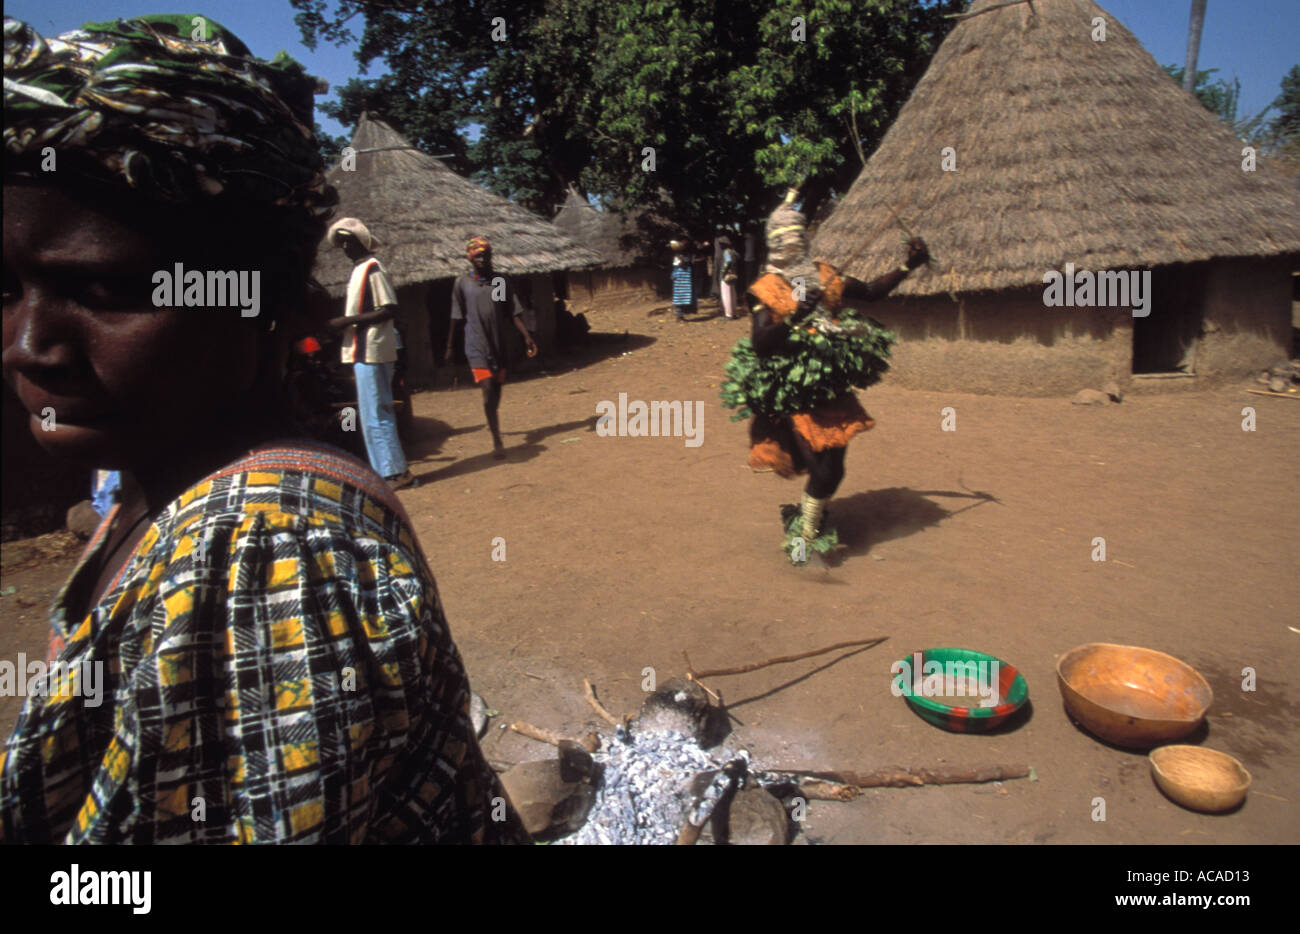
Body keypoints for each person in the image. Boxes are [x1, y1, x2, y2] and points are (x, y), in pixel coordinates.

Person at [1, 13, 529, 844]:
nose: (33, 346)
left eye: (104, 292)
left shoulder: (261, 549)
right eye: (7, 288)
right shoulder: (156, 492)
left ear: (263, 310)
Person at [742, 189, 929, 561]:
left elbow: (873, 291)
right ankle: (806, 537)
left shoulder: (824, 275)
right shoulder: (768, 287)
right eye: (785, 237)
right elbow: (762, 342)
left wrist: (910, 265)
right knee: (822, 467)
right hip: (795, 389)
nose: (793, 242)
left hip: (830, 385)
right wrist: (795, 316)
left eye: (798, 234)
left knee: (835, 469)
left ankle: (809, 522)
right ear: (774, 242)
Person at [326, 217, 417, 490]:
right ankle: (385, 471)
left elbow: (390, 309)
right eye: (342, 243)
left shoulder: (373, 268)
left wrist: (346, 321)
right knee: (370, 413)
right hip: (361, 350)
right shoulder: (358, 270)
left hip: (373, 348)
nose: (345, 247)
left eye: (349, 241)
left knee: (377, 412)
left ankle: (396, 472)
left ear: (361, 242)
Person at [446, 236, 538, 458]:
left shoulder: (498, 282)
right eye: (478, 256)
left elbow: (508, 312)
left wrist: (527, 336)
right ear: (470, 258)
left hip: (498, 344)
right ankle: (497, 439)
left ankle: (491, 418)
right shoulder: (463, 284)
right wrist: (450, 346)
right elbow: (457, 317)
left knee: (496, 391)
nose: (483, 259)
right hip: (476, 344)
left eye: (486, 255)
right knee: (487, 390)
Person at [669, 239, 695, 322]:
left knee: (683, 297)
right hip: (680, 279)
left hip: (684, 279)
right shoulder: (678, 257)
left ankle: (681, 315)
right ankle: (679, 316)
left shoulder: (684, 256)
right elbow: (678, 265)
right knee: (680, 297)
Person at [717, 235, 741, 319]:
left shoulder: (726, 252)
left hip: (726, 276)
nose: (720, 246)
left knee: (726, 295)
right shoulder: (733, 251)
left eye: (721, 244)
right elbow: (738, 257)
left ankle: (728, 314)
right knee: (733, 294)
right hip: (733, 275)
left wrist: (723, 273)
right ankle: (734, 313)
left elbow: (728, 261)